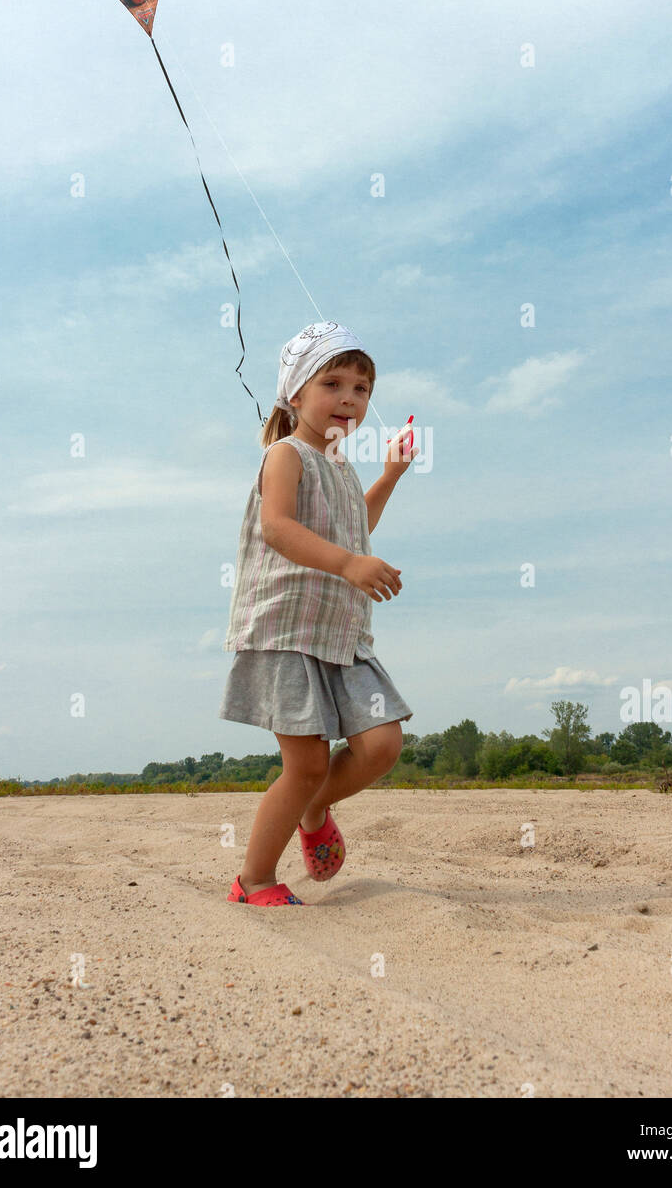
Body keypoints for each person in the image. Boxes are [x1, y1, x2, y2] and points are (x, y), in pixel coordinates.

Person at [218, 320, 417, 906]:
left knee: (381, 745)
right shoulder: (286, 455)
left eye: (362, 389)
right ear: (295, 394)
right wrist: (351, 565)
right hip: (288, 628)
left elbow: (356, 523)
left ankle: (313, 806)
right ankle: (253, 879)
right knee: (303, 763)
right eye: (333, 383)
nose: (349, 399)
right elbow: (279, 527)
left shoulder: (343, 469)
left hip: (342, 632)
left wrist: (391, 475)